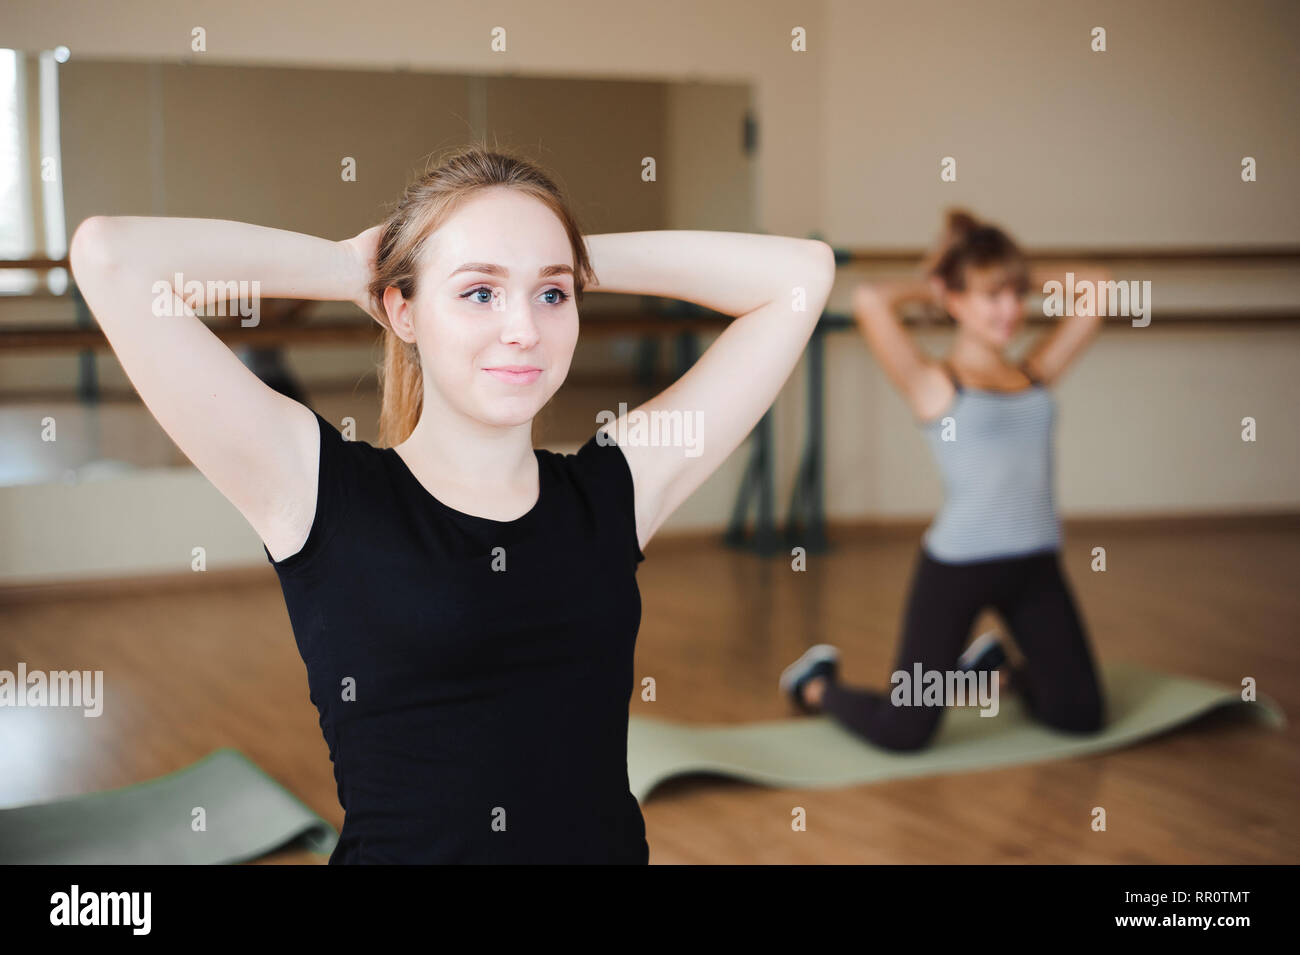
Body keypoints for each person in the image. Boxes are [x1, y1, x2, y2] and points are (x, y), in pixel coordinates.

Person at [68, 143, 835, 863]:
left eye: (552, 294)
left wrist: (564, 251)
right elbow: (111, 256)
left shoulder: (612, 491)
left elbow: (800, 276)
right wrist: (344, 266)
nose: (523, 329)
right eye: (479, 291)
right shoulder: (319, 491)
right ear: (402, 311)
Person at [780, 209, 1107, 751]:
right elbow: (870, 300)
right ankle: (815, 685)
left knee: (1081, 716)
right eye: (991, 296)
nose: (1010, 309)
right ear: (954, 299)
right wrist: (944, 278)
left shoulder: (1034, 370)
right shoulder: (934, 383)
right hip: (958, 569)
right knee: (904, 730)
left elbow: (1098, 288)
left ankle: (989, 675)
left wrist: (1009, 272)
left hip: (1036, 565)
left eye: (1016, 295)